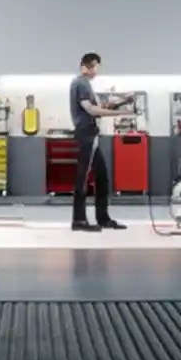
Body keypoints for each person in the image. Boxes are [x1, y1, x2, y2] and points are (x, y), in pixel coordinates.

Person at [69, 53, 135, 232]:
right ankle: (79, 220)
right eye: (94, 66)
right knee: (83, 178)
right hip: (86, 135)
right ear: (85, 66)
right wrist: (120, 114)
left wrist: (122, 102)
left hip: (92, 135)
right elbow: (91, 110)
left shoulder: (86, 85)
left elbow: (99, 107)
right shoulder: (80, 82)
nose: (96, 70)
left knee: (102, 178)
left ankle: (103, 218)